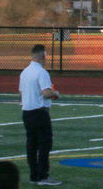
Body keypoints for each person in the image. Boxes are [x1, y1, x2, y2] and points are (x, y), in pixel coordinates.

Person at [19, 44, 61, 186]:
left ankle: (34, 175)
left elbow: (21, 93)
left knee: (31, 145)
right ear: (43, 55)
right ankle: (43, 175)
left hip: (26, 112)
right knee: (44, 144)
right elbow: (46, 93)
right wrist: (55, 93)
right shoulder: (42, 72)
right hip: (39, 112)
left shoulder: (24, 72)